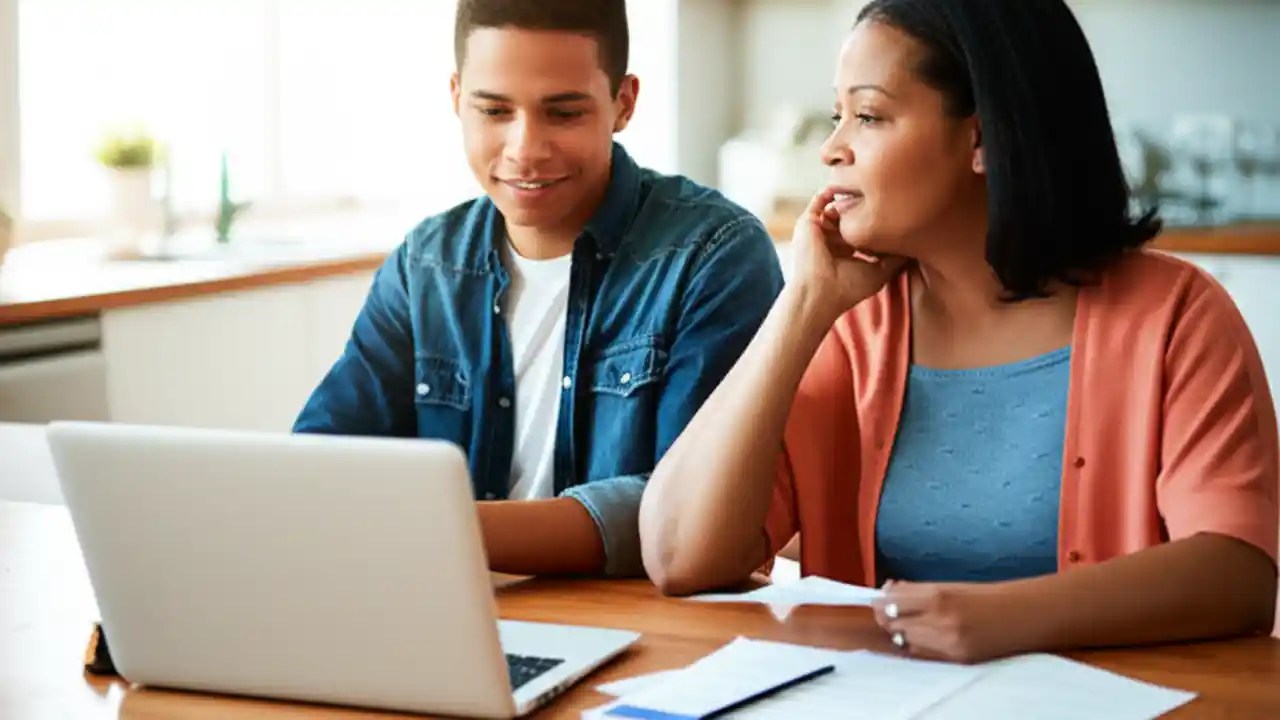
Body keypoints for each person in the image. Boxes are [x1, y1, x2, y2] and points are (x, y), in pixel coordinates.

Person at [638, 0, 1277, 662]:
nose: (831, 149)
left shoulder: (1176, 316)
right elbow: (680, 556)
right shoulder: (850, 327)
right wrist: (802, 304)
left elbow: (1237, 573)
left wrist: (1006, 618)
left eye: (869, 116)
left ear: (983, 139)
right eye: (837, 116)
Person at [295, 0, 783, 579]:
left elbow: (690, 511)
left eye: (564, 113)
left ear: (623, 103)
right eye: (494, 110)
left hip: (636, 618)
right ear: (457, 98)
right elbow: (320, 466)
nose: (525, 149)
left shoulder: (714, 255)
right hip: (454, 604)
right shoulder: (427, 265)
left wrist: (435, 528)